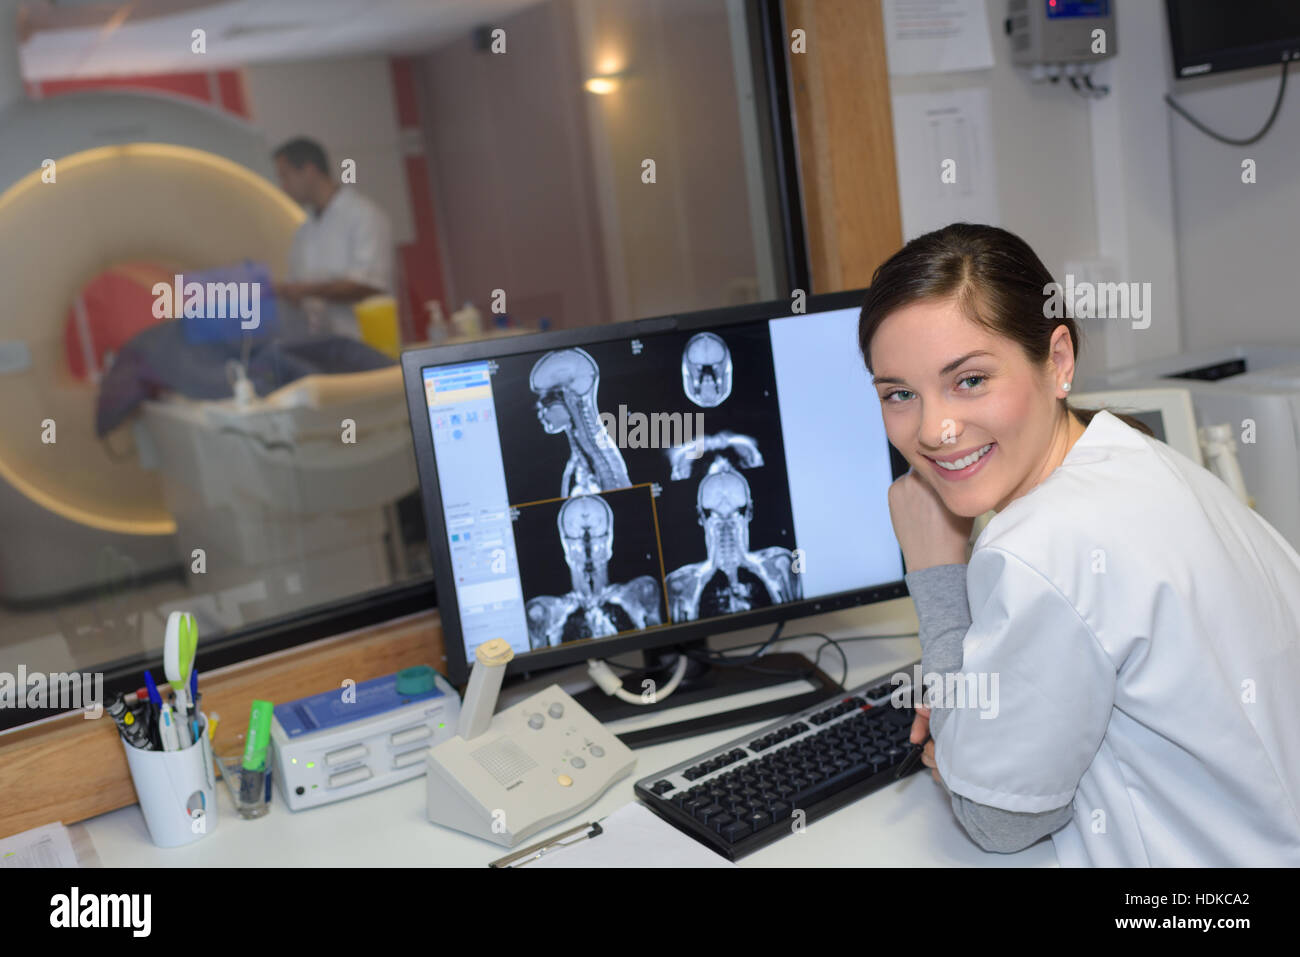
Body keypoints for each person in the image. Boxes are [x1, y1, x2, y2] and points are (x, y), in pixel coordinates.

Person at [860, 222, 1300, 866]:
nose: (934, 429)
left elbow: (998, 823)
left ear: (1057, 360)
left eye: (970, 380)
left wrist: (936, 574)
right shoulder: (1138, 457)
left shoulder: (1041, 546)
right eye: (900, 393)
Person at [271, 137, 394, 339]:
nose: (283, 186)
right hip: (323, 344)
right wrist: (283, 292)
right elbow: (297, 286)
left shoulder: (364, 216)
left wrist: (305, 290)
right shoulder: (305, 230)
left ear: (309, 171)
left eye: (286, 176)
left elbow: (369, 285)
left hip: (365, 341)